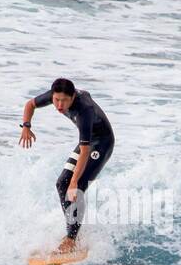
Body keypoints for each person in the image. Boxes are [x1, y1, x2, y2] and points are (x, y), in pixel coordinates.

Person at [18, 78, 116, 252]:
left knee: (75, 187)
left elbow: (85, 152)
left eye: (64, 100)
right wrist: (26, 126)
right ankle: (74, 231)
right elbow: (30, 105)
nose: (59, 105)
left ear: (72, 97)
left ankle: (71, 239)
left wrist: (74, 182)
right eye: (56, 100)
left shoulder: (84, 110)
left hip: (101, 142)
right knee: (61, 184)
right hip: (88, 142)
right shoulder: (55, 94)